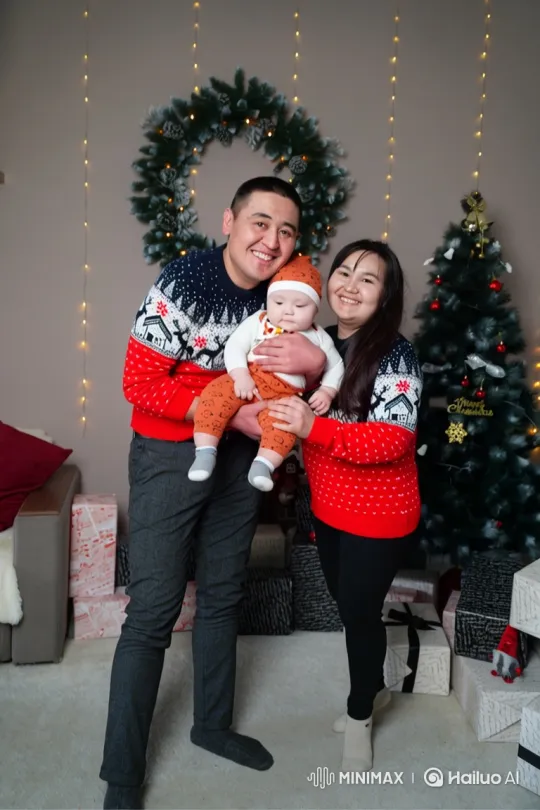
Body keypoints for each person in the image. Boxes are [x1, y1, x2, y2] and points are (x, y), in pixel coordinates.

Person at [100, 176, 326, 810]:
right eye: (260, 222)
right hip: (170, 454)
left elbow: (315, 368)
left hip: (239, 459)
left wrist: (306, 372)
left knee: (225, 593)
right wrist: (226, 413)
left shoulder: (288, 301)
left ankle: (212, 725)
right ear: (229, 222)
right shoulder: (185, 281)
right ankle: (122, 772)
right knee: (152, 611)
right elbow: (138, 381)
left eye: (285, 231)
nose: (271, 240)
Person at [268, 239, 423, 774]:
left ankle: (361, 713)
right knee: (349, 607)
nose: (350, 285)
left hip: (380, 512)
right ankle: (374, 685)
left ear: (386, 296)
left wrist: (315, 427)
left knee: (358, 613)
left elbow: (393, 439)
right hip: (329, 505)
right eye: (344, 271)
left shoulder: (396, 354)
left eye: (368, 279)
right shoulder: (317, 342)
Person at [187, 255, 344, 491]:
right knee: (215, 395)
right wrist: (240, 374)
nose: (287, 311)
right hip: (248, 380)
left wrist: (327, 392)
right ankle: (205, 451)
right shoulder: (258, 322)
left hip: (282, 396)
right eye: (278, 303)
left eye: (300, 306)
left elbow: (336, 365)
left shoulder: (318, 336)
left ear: (315, 311)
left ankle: (263, 465)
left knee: (283, 427)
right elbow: (236, 345)